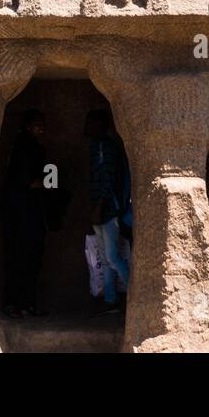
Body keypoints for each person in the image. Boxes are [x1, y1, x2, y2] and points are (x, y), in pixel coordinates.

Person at [1, 109, 49, 318]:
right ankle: (19, 305)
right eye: (37, 123)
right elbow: (32, 181)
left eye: (43, 123)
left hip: (22, 212)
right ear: (28, 127)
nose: (42, 127)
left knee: (24, 258)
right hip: (23, 214)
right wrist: (53, 185)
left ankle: (22, 304)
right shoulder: (27, 147)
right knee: (24, 258)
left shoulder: (25, 146)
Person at [86, 107, 131, 314]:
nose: (89, 126)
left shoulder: (105, 147)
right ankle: (111, 300)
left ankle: (136, 298)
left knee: (112, 258)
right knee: (106, 259)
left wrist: (98, 207)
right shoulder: (97, 146)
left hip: (108, 211)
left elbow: (106, 178)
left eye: (94, 122)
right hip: (101, 209)